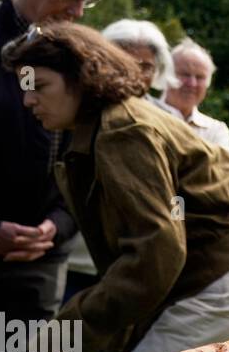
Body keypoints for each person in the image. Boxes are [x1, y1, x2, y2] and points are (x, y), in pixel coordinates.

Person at [1, 23, 229, 352]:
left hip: (220, 289)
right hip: (218, 285)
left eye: (39, 87)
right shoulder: (110, 125)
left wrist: (60, 340)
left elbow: (155, 253)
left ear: (82, 78)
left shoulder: (122, 131)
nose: (28, 101)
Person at [0, 0, 106, 352]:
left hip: (39, 256)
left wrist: (58, 224)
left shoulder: (83, 58)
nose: (77, 13)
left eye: (87, 2)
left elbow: (90, 160)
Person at [64, 19, 183, 303]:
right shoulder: (74, 115)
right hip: (77, 259)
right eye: (125, 61)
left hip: (137, 264)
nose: (135, 74)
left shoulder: (166, 121)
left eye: (145, 67)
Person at [161, 37, 229, 159]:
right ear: (167, 74)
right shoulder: (141, 114)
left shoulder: (216, 131)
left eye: (200, 77)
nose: (192, 83)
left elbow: (226, 174)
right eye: (185, 74)